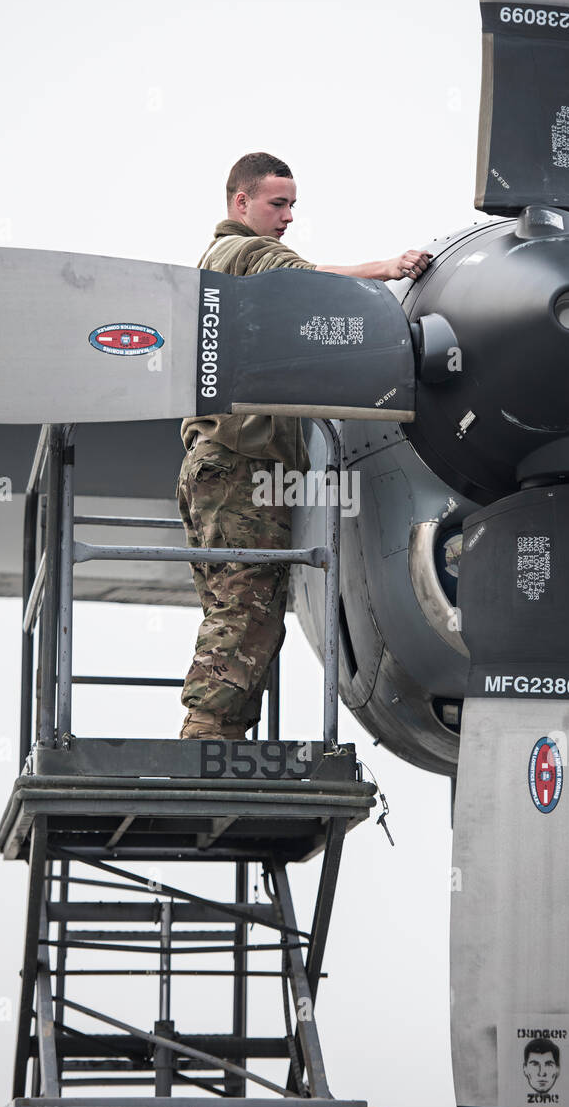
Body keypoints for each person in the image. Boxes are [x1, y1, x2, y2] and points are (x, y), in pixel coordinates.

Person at [178, 151, 432, 740]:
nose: (288, 216)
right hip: (241, 467)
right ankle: (207, 738)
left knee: (242, 607)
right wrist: (388, 268)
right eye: (277, 203)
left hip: (216, 466)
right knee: (247, 610)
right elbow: (310, 287)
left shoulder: (219, 266)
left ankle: (219, 737)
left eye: (292, 204)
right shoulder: (245, 254)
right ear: (241, 203)